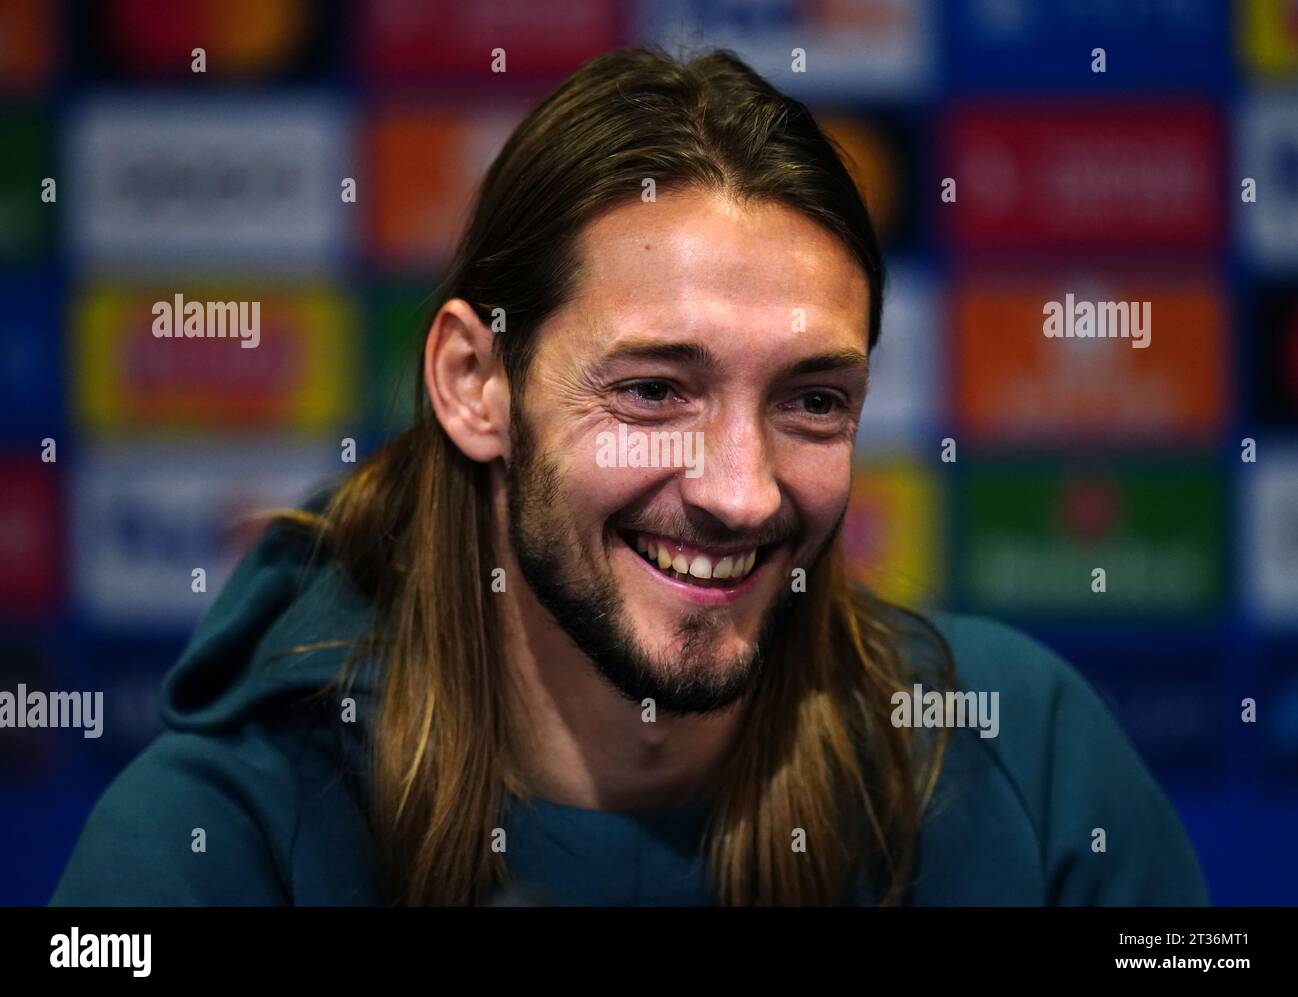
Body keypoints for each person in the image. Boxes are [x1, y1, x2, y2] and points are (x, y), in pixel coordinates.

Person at [51, 48, 1208, 906]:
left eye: (812, 400)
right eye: (655, 390)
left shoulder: (1022, 763)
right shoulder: (213, 849)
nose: (742, 492)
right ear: (474, 383)